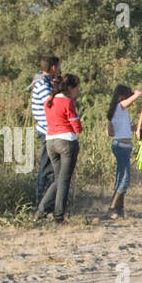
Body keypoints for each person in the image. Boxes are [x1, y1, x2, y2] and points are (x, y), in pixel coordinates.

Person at [37, 73, 82, 224]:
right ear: (70, 88)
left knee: (58, 180)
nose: (77, 91)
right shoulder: (67, 102)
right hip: (67, 141)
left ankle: (41, 211)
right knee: (64, 181)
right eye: (76, 88)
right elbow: (77, 127)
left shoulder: (49, 101)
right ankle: (58, 216)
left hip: (50, 141)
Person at [106, 84, 141, 218]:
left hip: (121, 144)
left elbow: (110, 132)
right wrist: (134, 93)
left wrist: (130, 128)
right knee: (124, 178)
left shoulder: (116, 110)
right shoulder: (119, 107)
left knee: (121, 176)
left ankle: (119, 208)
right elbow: (137, 94)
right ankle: (113, 208)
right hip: (122, 145)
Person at [30, 55, 60, 206]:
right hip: (47, 130)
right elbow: (51, 104)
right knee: (47, 168)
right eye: (58, 67)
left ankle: (46, 203)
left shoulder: (45, 82)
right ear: (53, 67)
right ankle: (41, 203)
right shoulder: (43, 84)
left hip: (49, 129)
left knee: (50, 168)